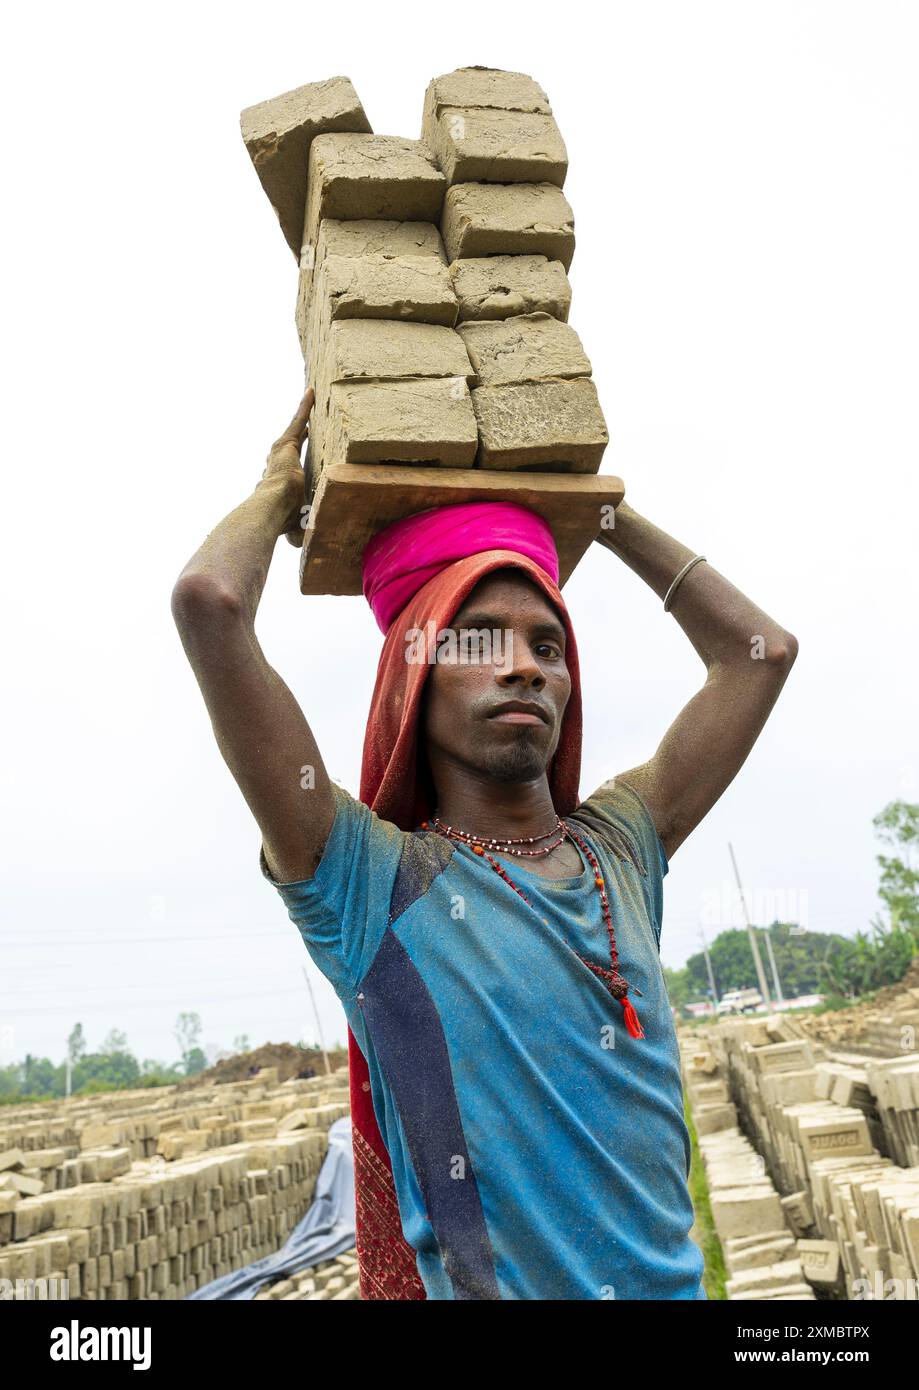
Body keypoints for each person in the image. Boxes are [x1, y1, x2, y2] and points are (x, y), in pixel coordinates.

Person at [172, 389, 798, 1300]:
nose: (523, 666)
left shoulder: (620, 848)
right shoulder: (369, 885)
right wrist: (277, 494)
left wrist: (602, 513)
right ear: (411, 681)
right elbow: (210, 603)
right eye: (478, 641)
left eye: (549, 647)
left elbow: (758, 654)